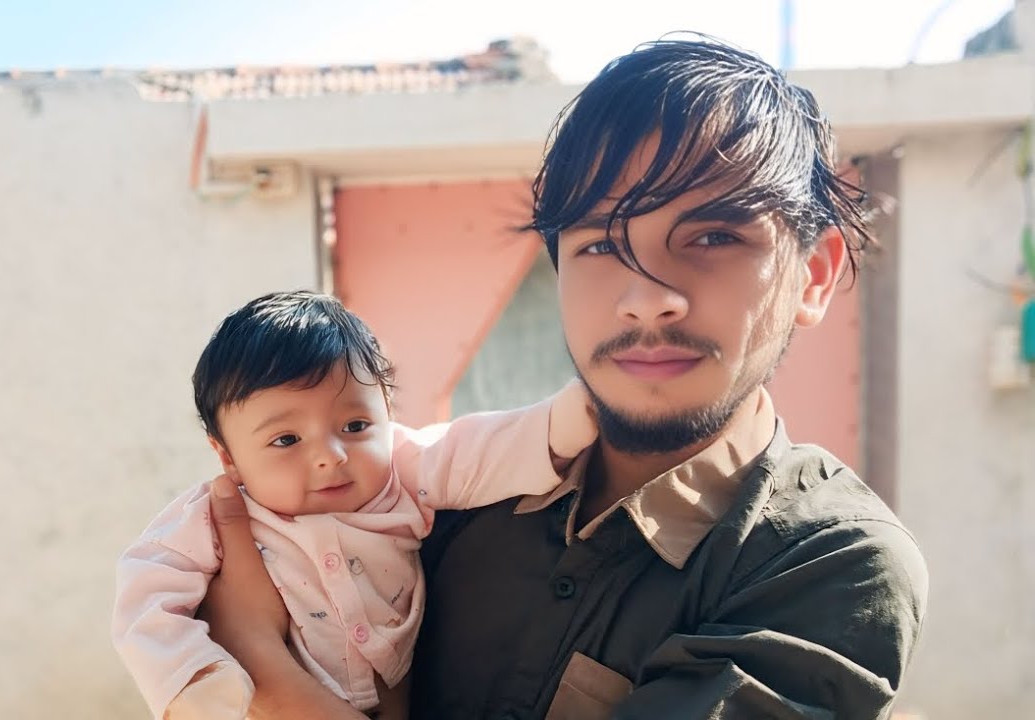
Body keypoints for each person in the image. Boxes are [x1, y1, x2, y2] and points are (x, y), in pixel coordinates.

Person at [194, 39, 930, 720]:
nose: (646, 295)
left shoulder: (830, 563)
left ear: (816, 274)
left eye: (714, 236)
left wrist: (259, 665)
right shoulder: (452, 489)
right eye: (602, 243)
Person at [112, 290, 597, 719]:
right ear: (228, 457)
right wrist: (194, 679)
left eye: (355, 426)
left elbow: (479, 449)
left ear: (388, 415)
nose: (330, 456)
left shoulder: (404, 471)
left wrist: (572, 419)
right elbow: (146, 593)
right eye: (286, 439)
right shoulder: (211, 518)